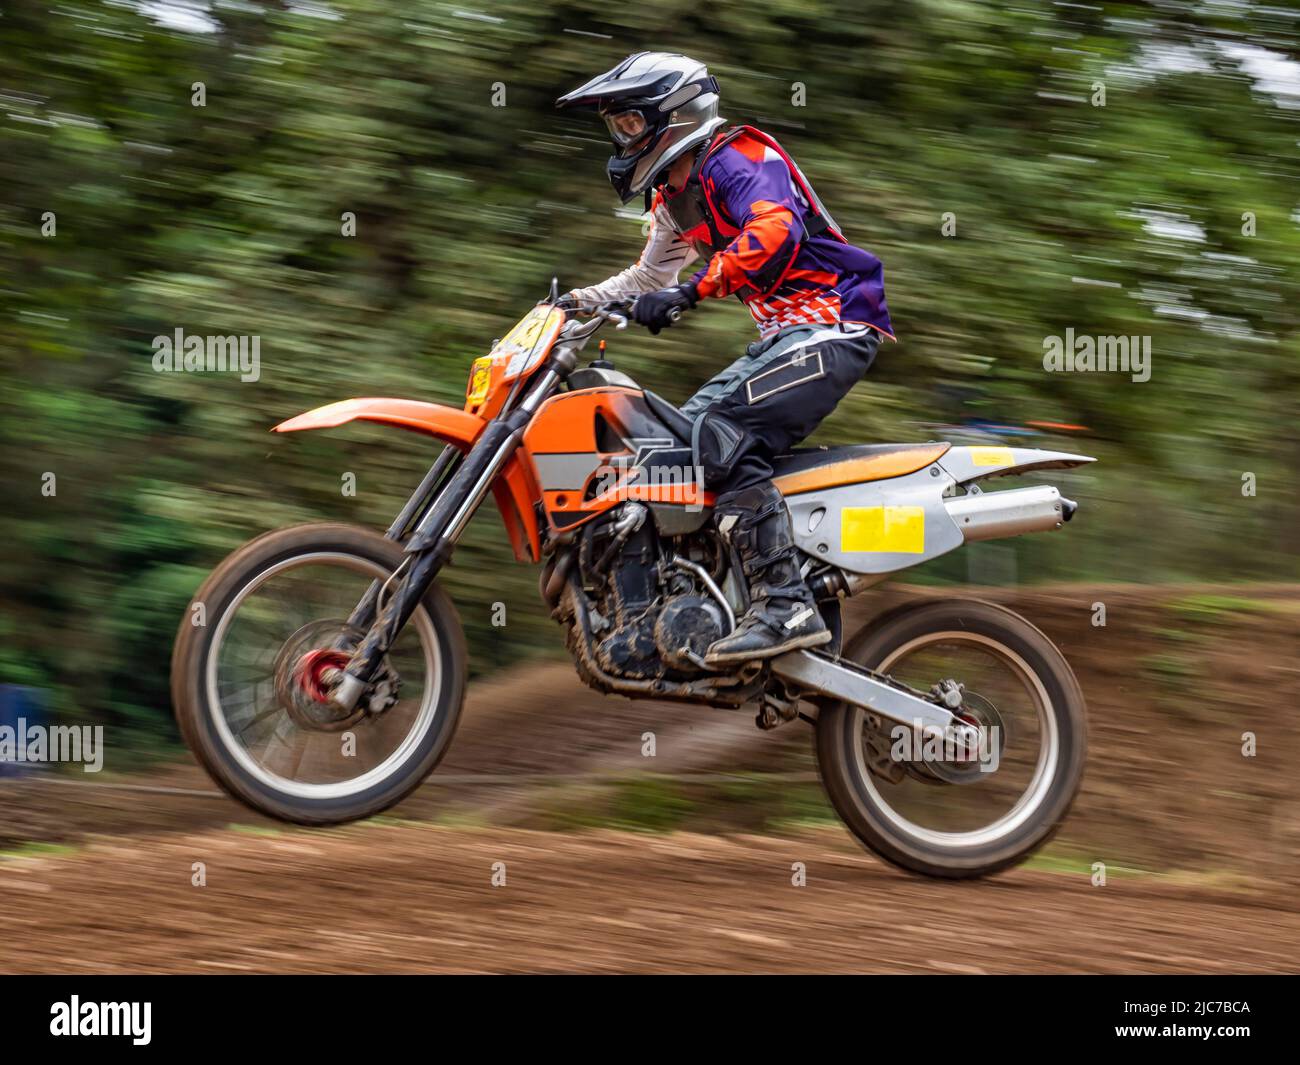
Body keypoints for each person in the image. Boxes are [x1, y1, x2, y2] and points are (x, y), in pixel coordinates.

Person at [556, 52, 894, 665]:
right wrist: (574, 304)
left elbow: (775, 232)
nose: (621, 139)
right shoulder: (674, 197)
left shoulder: (739, 159)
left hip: (834, 323)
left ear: (675, 116)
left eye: (630, 123)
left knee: (719, 439)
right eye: (617, 129)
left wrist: (690, 293)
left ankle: (784, 604)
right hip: (783, 339)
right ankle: (697, 606)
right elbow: (647, 277)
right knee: (667, 451)